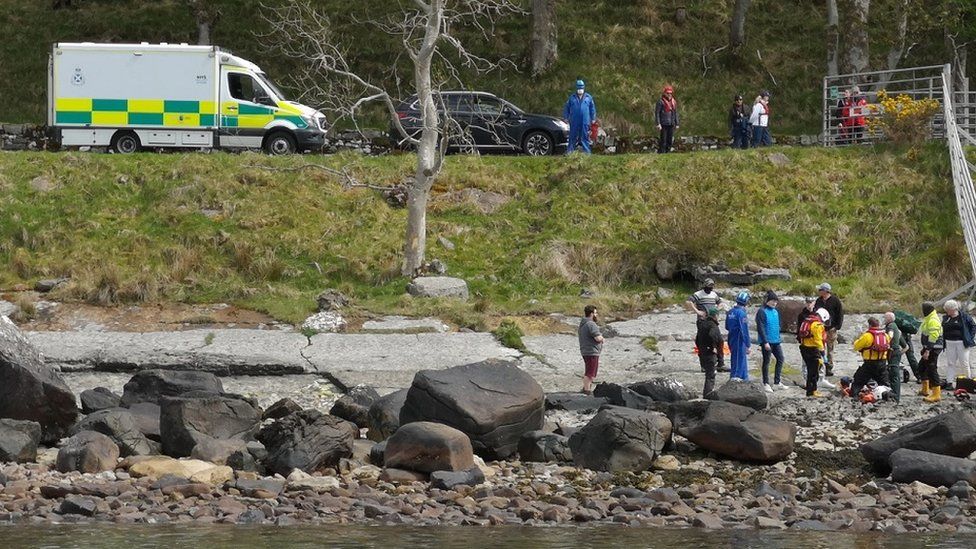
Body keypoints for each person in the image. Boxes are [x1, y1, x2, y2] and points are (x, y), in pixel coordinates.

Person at [851, 317, 891, 398]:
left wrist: (857, 340)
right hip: (882, 363)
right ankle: (888, 397)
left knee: (858, 380)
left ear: (869, 325)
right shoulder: (885, 335)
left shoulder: (867, 336)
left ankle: (854, 397)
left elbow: (856, 347)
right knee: (885, 383)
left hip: (869, 364)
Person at [941, 299, 976, 390]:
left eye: (948, 309)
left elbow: (973, 326)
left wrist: (970, 337)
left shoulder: (964, 316)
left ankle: (968, 381)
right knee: (950, 363)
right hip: (949, 342)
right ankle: (949, 382)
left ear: (953, 309)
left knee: (964, 362)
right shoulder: (946, 318)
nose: (946, 311)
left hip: (962, 342)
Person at [755, 291, 785, 392]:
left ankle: (777, 382)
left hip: (776, 340)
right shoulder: (762, 311)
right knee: (766, 361)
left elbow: (777, 325)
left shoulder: (775, 311)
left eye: (776, 301)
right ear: (767, 301)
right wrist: (764, 342)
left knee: (780, 359)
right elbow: (761, 328)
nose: (774, 303)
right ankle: (766, 383)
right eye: (772, 301)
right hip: (767, 341)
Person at [814, 282, 844, 377]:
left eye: (820, 290)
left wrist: (837, 326)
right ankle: (820, 366)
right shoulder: (818, 300)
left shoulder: (835, 300)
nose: (819, 291)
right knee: (820, 347)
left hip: (831, 328)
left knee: (830, 349)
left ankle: (829, 367)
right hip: (820, 328)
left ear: (825, 291)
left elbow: (840, 314)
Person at [696, 306, 725, 398]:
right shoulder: (713, 325)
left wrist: (701, 349)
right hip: (710, 354)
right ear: (715, 315)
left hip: (702, 353)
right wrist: (713, 347)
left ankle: (707, 393)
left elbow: (697, 340)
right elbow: (718, 339)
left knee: (708, 374)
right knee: (710, 376)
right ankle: (708, 394)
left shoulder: (702, 325)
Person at [799, 307, 828, 397]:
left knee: (810, 371)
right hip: (813, 350)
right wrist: (823, 353)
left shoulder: (807, 321)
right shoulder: (817, 325)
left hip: (804, 348)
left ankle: (810, 390)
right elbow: (818, 340)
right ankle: (812, 391)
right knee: (814, 372)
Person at [919, 301, 944, 403]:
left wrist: (928, 350)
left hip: (934, 347)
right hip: (928, 347)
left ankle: (936, 394)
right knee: (921, 368)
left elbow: (933, 336)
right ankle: (925, 390)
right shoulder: (928, 317)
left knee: (931, 369)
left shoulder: (933, 319)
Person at [563, 79, 597, 154]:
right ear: (576, 88)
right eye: (578, 88)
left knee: (585, 135)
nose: (580, 90)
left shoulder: (589, 97)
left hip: (585, 120)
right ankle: (570, 151)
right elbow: (566, 107)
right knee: (573, 135)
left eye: (581, 88)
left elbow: (592, 108)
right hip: (574, 120)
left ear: (584, 88)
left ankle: (586, 152)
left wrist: (593, 118)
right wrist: (566, 117)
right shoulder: (572, 98)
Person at [578, 304, 604, 395]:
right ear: (592, 314)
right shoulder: (591, 324)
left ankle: (586, 388)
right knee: (590, 373)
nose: (596, 315)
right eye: (596, 313)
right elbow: (597, 338)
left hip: (586, 351)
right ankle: (587, 390)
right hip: (591, 351)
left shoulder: (583, 323)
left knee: (589, 371)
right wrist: (602, 338)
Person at [725, 291, 751, 381]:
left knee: (735, 357)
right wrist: (748, 344)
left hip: (731, 337)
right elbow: (744, 330)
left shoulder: (730, 312)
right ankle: (736, 377)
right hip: (739, 339)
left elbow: (727, 326)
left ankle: (744, 377)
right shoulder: (742, 314)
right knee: (739, 359)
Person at [884, 312, 904, 402]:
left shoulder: (891, 326)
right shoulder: (896, 327)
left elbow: (890, 335)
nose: (884, 319)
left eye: (885, 318)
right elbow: (906, 346)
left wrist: (885, 344)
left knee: (894, 374)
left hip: (893, 352)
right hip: (896, 352)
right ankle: (894, 395)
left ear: (889, 319)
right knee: (893, 374)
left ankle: (895, 397)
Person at [655, 85, 680, 154]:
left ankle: (668, 152)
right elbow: (657, 113)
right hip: (663, 123)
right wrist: (658, 123)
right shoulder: (660, 102)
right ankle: (662, 152)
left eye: (670, 93)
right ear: (664, 93)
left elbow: (675, 113)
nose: (669, 94)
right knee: (663, 139)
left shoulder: (673, 102)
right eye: (667, 93)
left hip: (671, 123)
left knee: (670, 139)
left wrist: (677, 123)